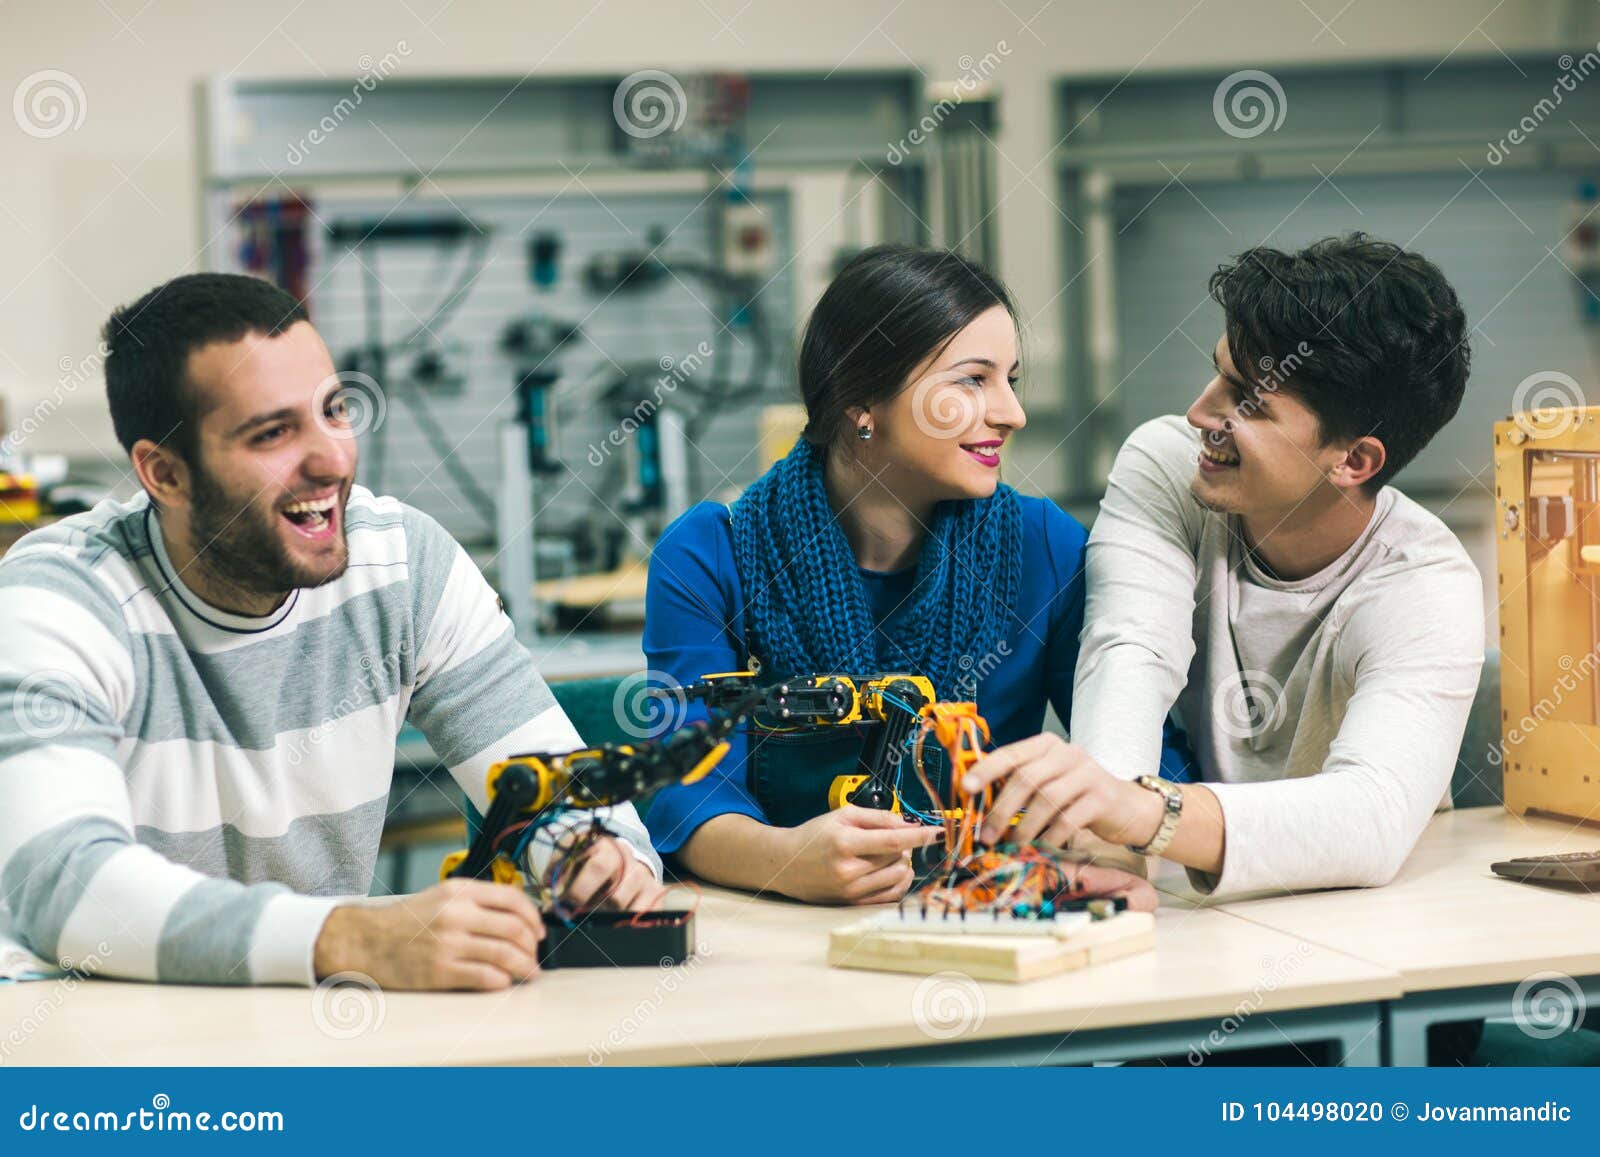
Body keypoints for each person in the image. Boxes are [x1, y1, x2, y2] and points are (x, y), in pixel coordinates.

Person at [0, 273, 662, 990]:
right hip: (103, 1062)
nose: (333, 459)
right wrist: (346, 936)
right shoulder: (60, 599)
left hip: (312, 1036)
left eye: (334, 410)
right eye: (273, 433)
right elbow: (65, 887)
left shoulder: (405, 567)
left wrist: (589, 860)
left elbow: (573, 806)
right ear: (164, 473)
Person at [642, 245, 1185, 907]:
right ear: (861, 398)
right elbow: (682, 792)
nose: (1011, 412)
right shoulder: (710, 554)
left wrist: (1102, 834)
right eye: (973, 380)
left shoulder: (1045, 546)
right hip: (772, 935)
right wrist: (785, 859)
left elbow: (1147, 767)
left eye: (1011, 378)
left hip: (983, 918)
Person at [961, 233, 1484, 901]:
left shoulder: (1425, 584)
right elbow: (1131, 650)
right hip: (1196, 897)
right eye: (1218, 372)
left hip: (1365, 910)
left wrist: (1140, 813)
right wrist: (1107, 840)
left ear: (1354, 461)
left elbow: (1373, 816)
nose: (1200, 412)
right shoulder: (1168, 465)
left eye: (1249, 402)